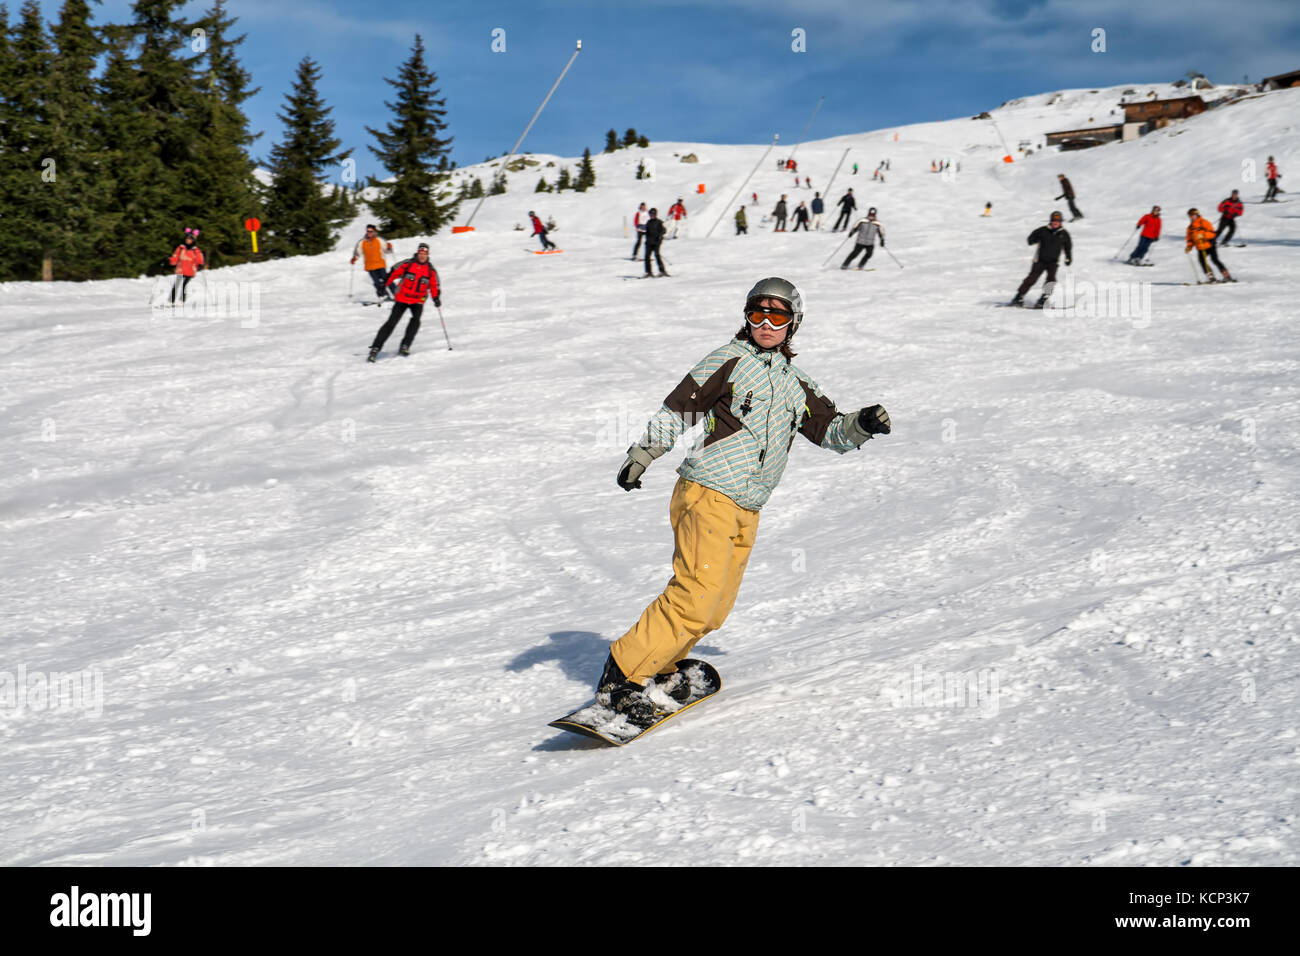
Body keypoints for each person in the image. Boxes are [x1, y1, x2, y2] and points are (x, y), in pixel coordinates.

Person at [599, 277, 892, 720]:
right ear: (747, 317)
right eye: (758, 314)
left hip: (747, 506)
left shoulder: (797, 383)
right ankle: (621, 678)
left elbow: (829, 430)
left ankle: (657, 665)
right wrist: (642, 455)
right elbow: (679, 409)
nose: (767, 324)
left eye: (778, 316)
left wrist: (862, 424)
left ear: (794, 323)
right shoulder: (728, 361)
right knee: (695, 595)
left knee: (714, 607)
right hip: (707, 492)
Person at [367, 243, 439, 361]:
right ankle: (376, 347)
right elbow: (393, 273)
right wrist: (383, 285)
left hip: (417, 300)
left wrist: (436, 298)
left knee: (415, 321)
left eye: (424, 254)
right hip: (402, 298)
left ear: (428, 255)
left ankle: (405, 345)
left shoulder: (430, 270)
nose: (422, 256)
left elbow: (434, 286)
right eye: (421, 253)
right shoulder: (408, 264)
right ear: (417, 253)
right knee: (391, 322)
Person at [1010, 211, 1072, 307]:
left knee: (1051, 280)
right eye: (1053, 221)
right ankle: (1018, 297)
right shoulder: (1043, 230)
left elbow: (1067, 246)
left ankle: (1043, 300)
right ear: (1051, 221)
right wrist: (1032, 240)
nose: (1055, 223)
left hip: (1053, 262)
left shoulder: (1064, 234)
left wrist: (1068, 257)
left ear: (1060, 222)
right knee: (1031, 279)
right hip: (1039, 260)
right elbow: (1031, 237)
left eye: (1057, 221)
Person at [1185, 208, 1233, 283]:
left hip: (1210, 245)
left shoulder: (1204, 222)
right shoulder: (1190, 228)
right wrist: (1189, 246)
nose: (1192, 217)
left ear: (1197, 215)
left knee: (1215, 260)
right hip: (1200, 248)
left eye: (1193, 215)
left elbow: (1213, 234)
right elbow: (1190, 239)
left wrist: (1203, 235)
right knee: (1202, 262)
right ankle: (1211, 277)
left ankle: (1226, 275)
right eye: (1190, 215)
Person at [350, 224, 395, 300]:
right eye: (368, 231)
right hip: (370, 266)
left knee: (386, 279)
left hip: (380, 264)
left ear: (374, 231)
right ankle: (384, 296)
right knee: (376, 282)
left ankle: (396, 293)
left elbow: (387, 251)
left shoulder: (379, 240)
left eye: (371, 231)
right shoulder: (362, 242)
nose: (369, 233)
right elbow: (358, 252)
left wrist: (389, 247)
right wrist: (354, 258)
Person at [168, 228, 205, 303]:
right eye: (187, 239)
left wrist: (200, 264)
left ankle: (182, 300)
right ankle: (171, 301)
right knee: (176, 284)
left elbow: (199, 258)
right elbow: (175, 257)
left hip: (190, 270)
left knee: (184, 285)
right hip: (180, 269)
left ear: (193, 240)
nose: (188, 241)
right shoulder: (181, 248)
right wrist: (170, 261)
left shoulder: (195, 250)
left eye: (190, 239)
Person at [644, 207, 668, 277]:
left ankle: (662, 271)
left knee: (657, 255)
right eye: (651, 214)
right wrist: (647, 240)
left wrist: (660, 236)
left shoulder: (659, 222)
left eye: (653, 214)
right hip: (649, 242)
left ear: (655, 214)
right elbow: (647, 233)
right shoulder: (648, 223)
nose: (652, 215)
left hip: (656, 242)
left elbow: (664, 230)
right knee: (647, 257)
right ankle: (648, 272)